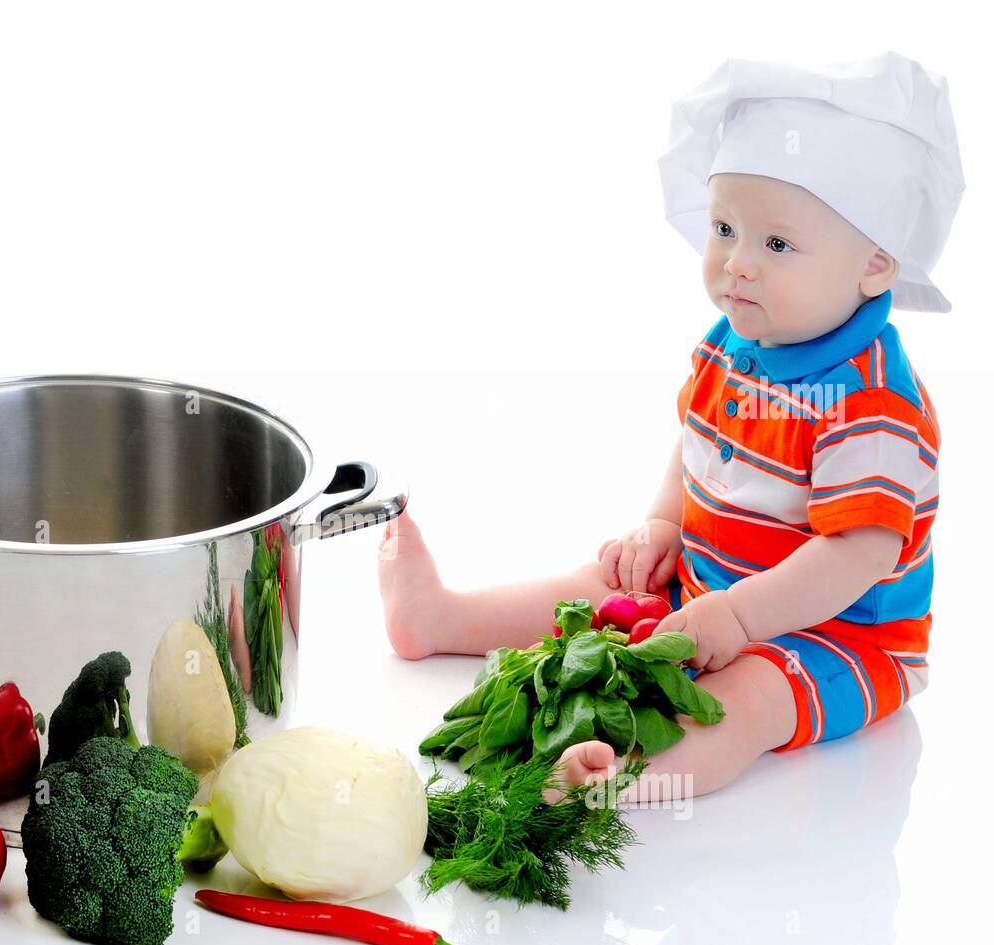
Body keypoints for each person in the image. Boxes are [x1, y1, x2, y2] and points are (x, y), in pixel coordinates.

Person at [377, 52, 963, 803]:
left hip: (837, 638)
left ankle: (620, 779)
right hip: (714, 588)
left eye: (776, 244)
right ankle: (441, 619)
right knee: (595, 591)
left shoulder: (873, 403)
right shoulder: (736, 343)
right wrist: (662, 528)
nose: (737, 266)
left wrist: (743, 617)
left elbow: (856, 554)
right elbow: (697, 448)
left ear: (876, 265)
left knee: (747, 697)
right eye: (726, 228)